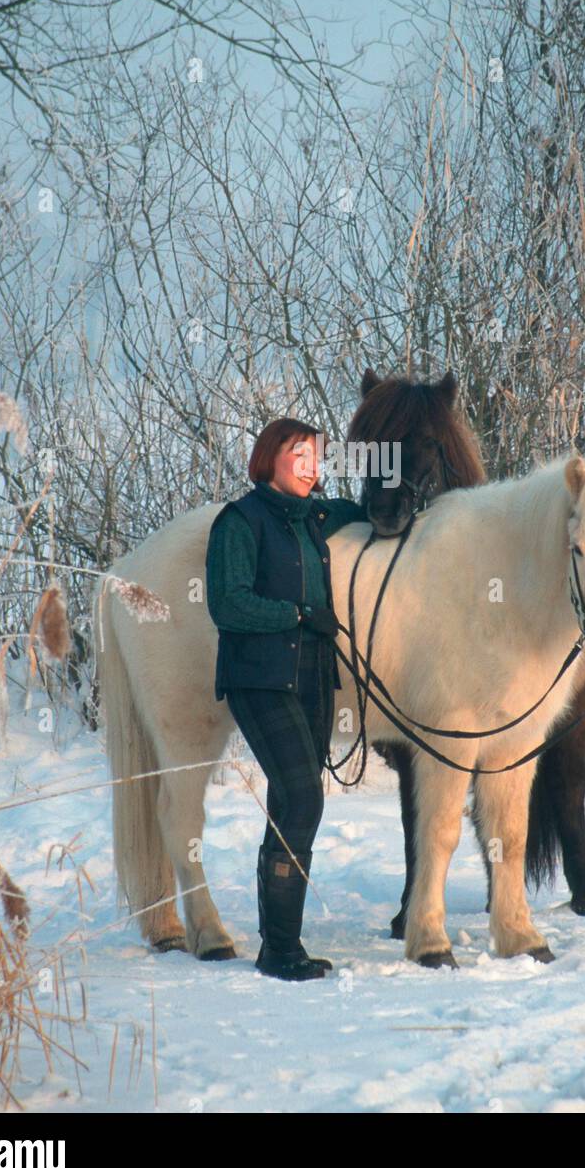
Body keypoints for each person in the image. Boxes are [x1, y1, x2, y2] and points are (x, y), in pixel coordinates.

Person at [205, 419, 367, 981]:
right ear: (271, 457)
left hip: (314, 677)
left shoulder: (313, 518)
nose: (312, 465)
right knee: (301, 799)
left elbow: (365, 510)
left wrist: (397, 500)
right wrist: (296, 615)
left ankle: (281, 945)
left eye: (318, 457)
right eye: (300, 454)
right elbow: (228, 605)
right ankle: (278, 950)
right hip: (260, 678)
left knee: (290, 802)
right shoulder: (239, 522)